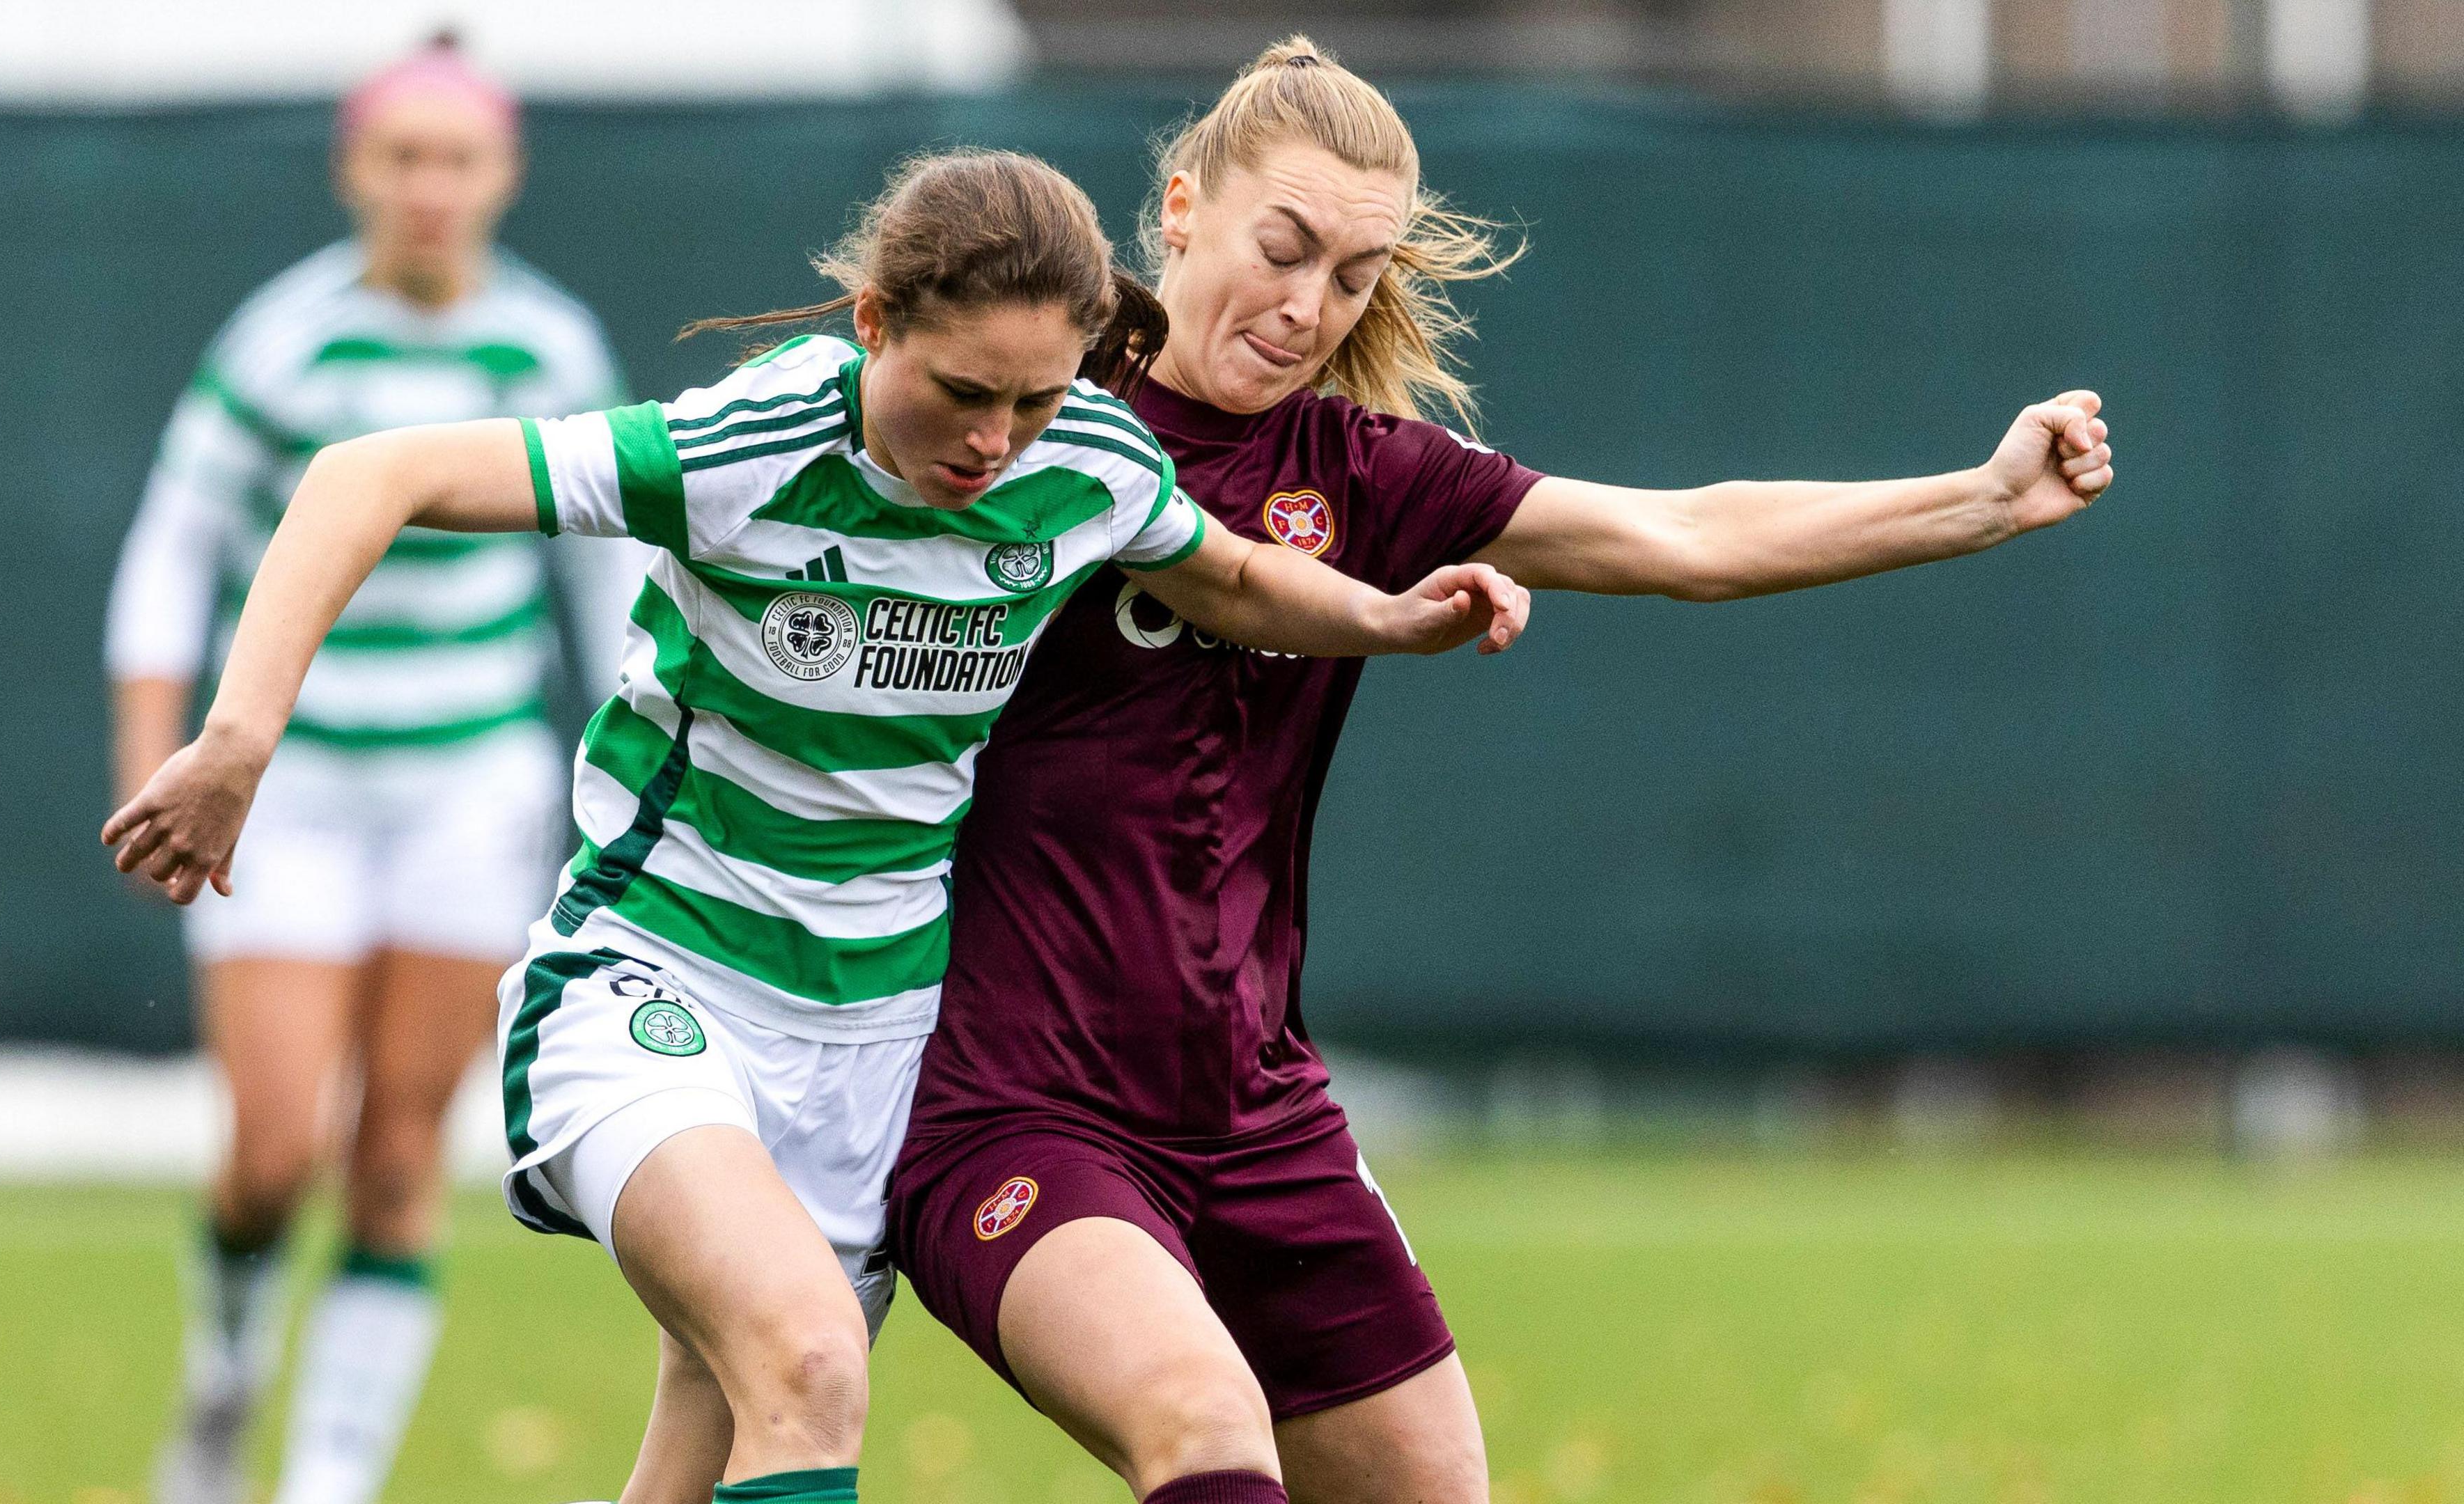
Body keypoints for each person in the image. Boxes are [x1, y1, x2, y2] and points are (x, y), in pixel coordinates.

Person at [103, 147, 1532, 1504]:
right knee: (805, 1355)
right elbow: (372, 475)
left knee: (697, 1458)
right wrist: (237, 737)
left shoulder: (1086, 458)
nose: (993, 442)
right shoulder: (751, 442)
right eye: (965, 391)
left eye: (1032, 401)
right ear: (873, 325)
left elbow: (1227, 575)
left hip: (868, 1046)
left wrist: (1387, 620)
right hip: (656, 987)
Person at [880, 39, 2119, 1504]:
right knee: (1203, 1428)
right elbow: (778, 486)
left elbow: (1686, 539)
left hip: (1256, 1114)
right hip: (1019, 1107)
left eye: (1352, 275)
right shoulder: (1022, 419)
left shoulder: (1364, 475)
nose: (1307, 307)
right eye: (1283, 249)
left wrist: (1977, 500)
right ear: (1181, 208)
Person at [102, 34, 641, 1504]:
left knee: (400, 1159)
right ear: (356, 170)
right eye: (401, 158)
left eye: (456, 160)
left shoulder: (550, 349)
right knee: (274, 1152)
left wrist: (635, 783)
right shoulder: (281, 342)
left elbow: (609, 590)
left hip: (471, 793)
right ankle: (223, 1375)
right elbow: (170, 558)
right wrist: (161, 762)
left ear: (502, 177)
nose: (428, 188)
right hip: (290, 800)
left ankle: (326, 1485)